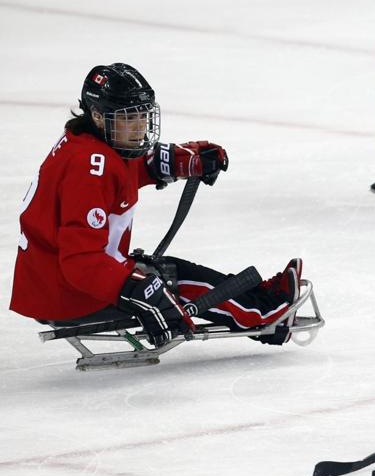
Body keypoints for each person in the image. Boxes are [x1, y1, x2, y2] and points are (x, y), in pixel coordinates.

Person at [11, 63, 303, 347]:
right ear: (99, 116)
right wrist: (135, 288)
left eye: (143, 115)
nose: (140, 126)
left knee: (165, 274)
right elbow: (81, 262)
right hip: (69, 295)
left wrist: (179, 160)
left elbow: (127, 171)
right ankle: (267, 315)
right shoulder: (89, 167)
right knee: (169, 280)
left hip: (57, 285)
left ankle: (259, 297)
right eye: (128, 117)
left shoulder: (93, 145)